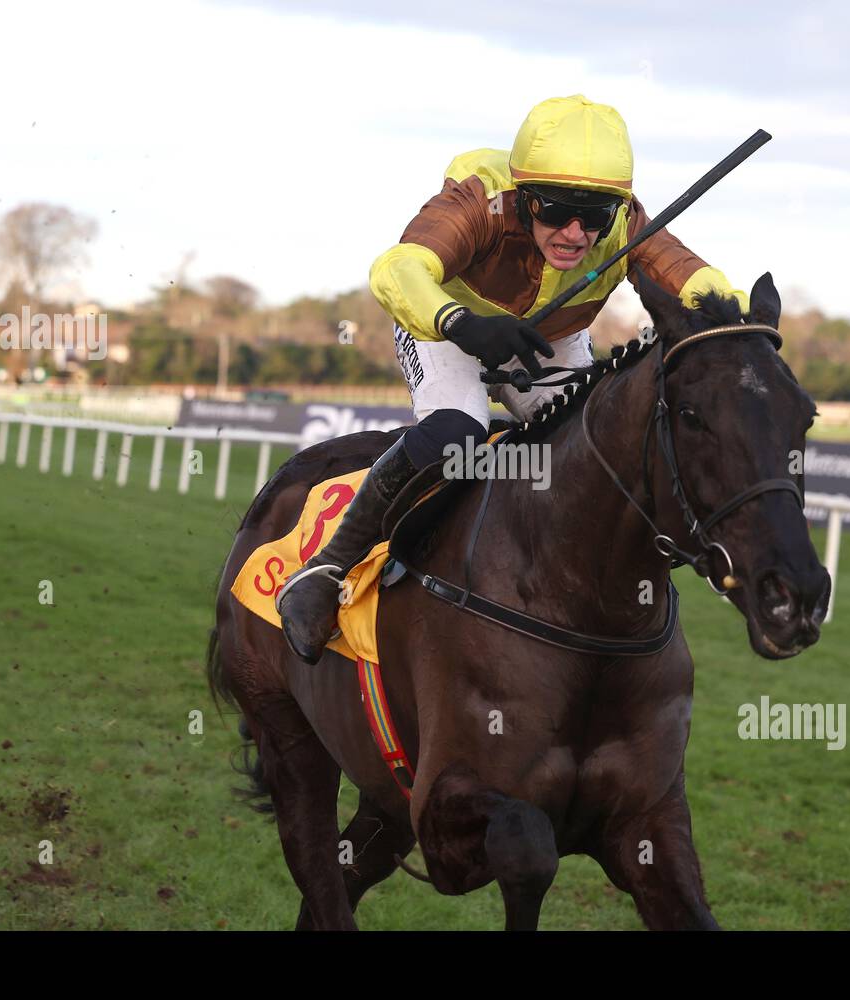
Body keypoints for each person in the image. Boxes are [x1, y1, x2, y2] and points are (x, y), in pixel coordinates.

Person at [278, 94, 748, 664]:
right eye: (557, 210)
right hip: (445, 326)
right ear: (524, 197)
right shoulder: (480, 201)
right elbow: (397, 268)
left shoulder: (626, 220)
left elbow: (694, 278)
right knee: (457, 435)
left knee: (603, 447)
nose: (576, 233)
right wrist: (461, 322)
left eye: (594, 216)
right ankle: (326, 569)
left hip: (548, 340)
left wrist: (743, 320)